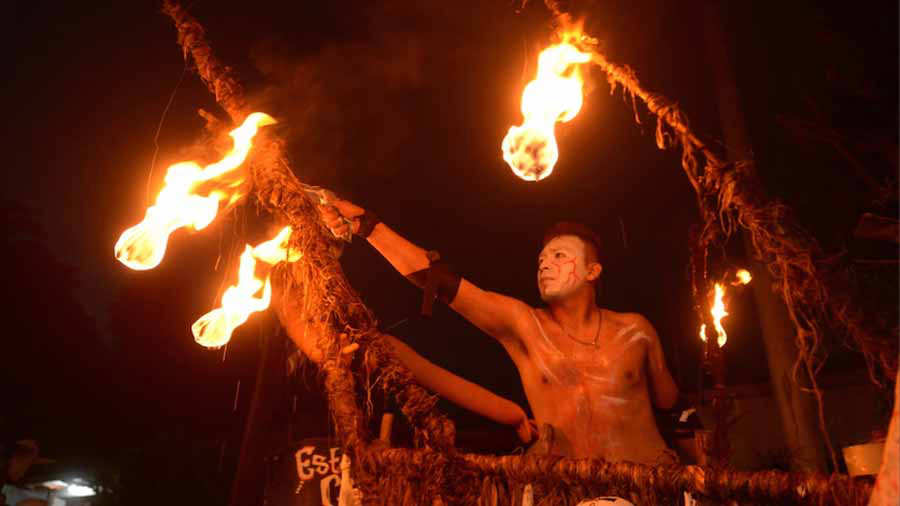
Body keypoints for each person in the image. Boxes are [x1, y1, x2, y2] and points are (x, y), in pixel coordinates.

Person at [318, 200, 679, 465]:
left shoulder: (636, 330)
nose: (544, 264)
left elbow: (670, 403)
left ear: (592, 271)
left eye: (559, 256)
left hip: (648, 487)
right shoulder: (526, 325)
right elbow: (440, 281)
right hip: (569, 489)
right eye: (541, 259)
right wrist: (367, 225)